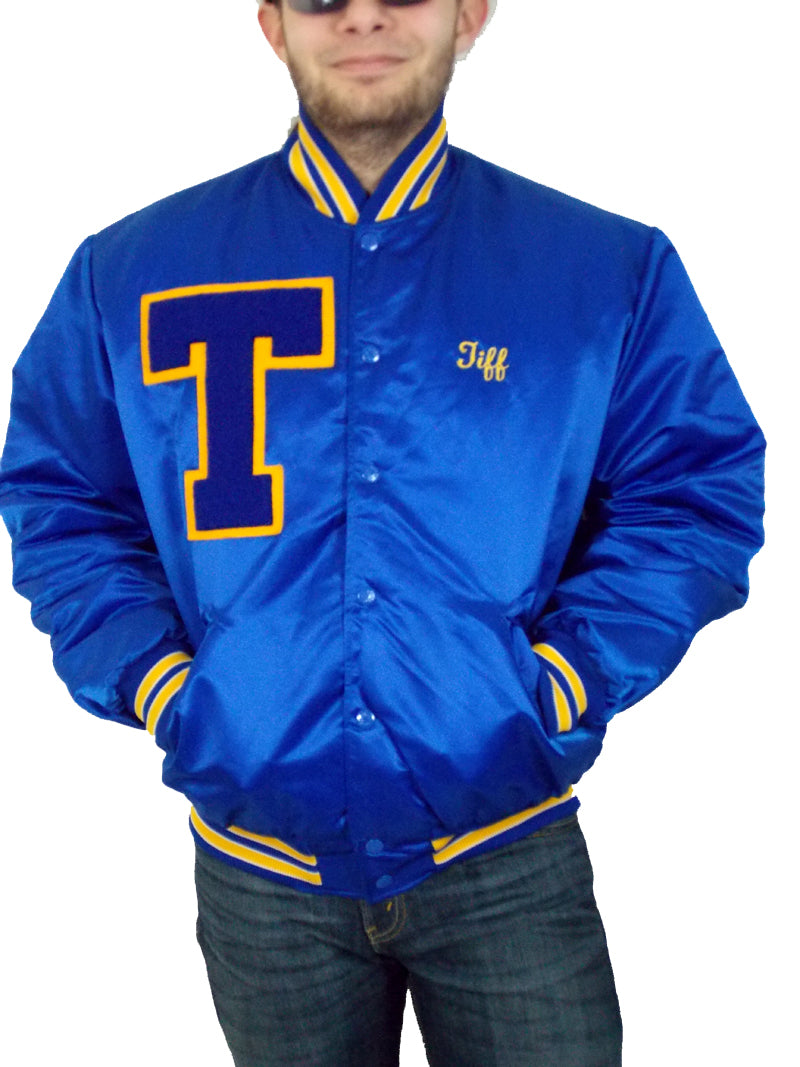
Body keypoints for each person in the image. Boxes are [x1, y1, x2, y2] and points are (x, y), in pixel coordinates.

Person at [0, 1, 765, 1064]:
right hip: (261, 869)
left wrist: (556, 684)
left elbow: (691, 490)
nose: (361, 14)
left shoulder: (602, 268)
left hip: (504, 849)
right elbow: (65, 502)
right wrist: (169, 686)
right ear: (273, 24)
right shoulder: (130, 269)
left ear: (468, 14)